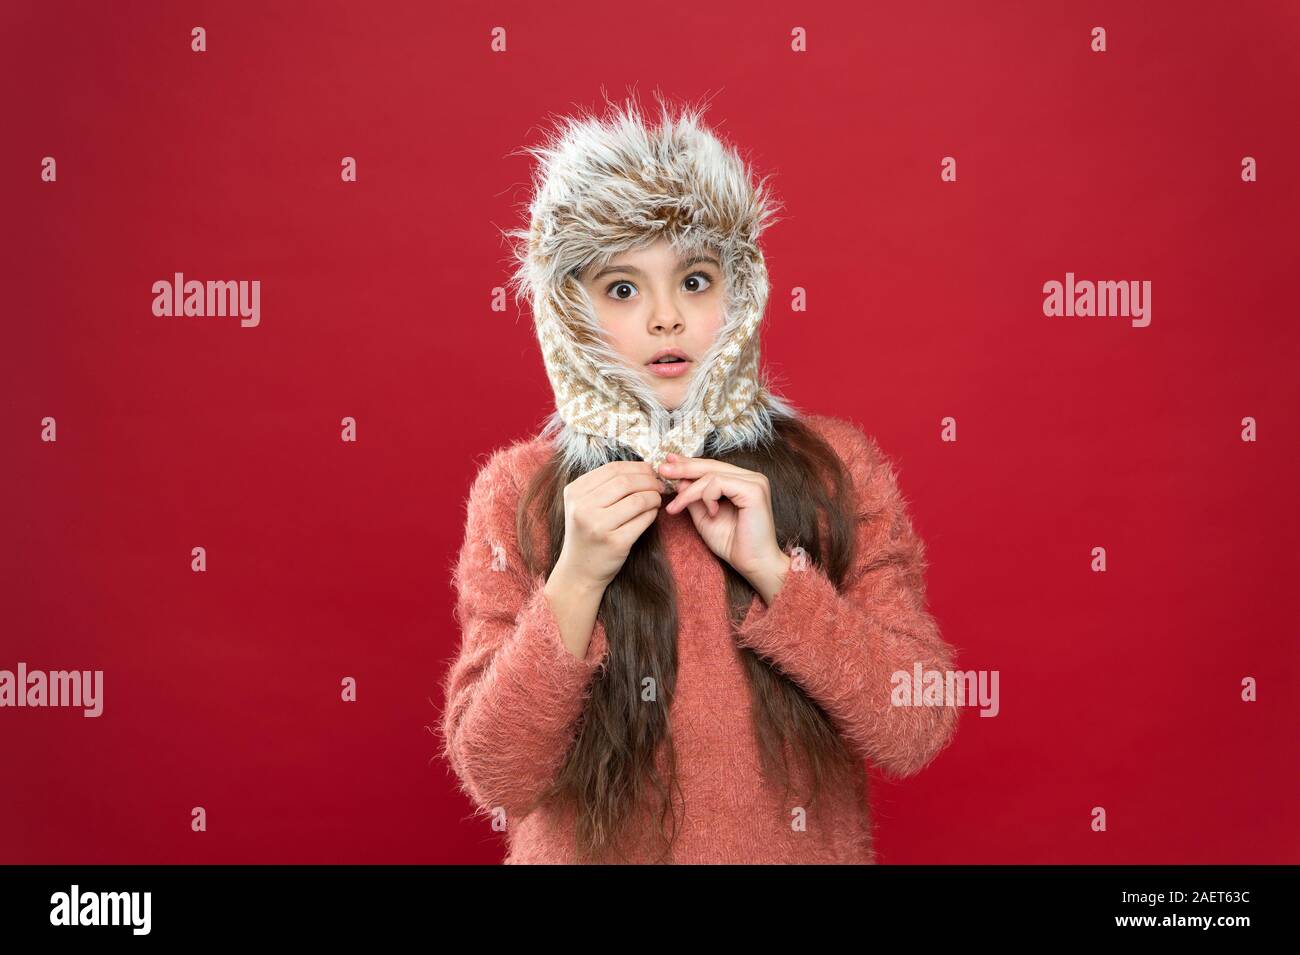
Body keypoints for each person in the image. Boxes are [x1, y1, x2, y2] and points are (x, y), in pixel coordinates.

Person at [437, 93, 959, 863]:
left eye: (695, 280)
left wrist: (776, 574)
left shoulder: (835, 468)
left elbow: (917, 725)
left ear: (740, 291)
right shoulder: (521, 492)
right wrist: (575, 580)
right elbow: (499, 773)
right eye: (622, 288)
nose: (664, 319)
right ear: (568, 312)